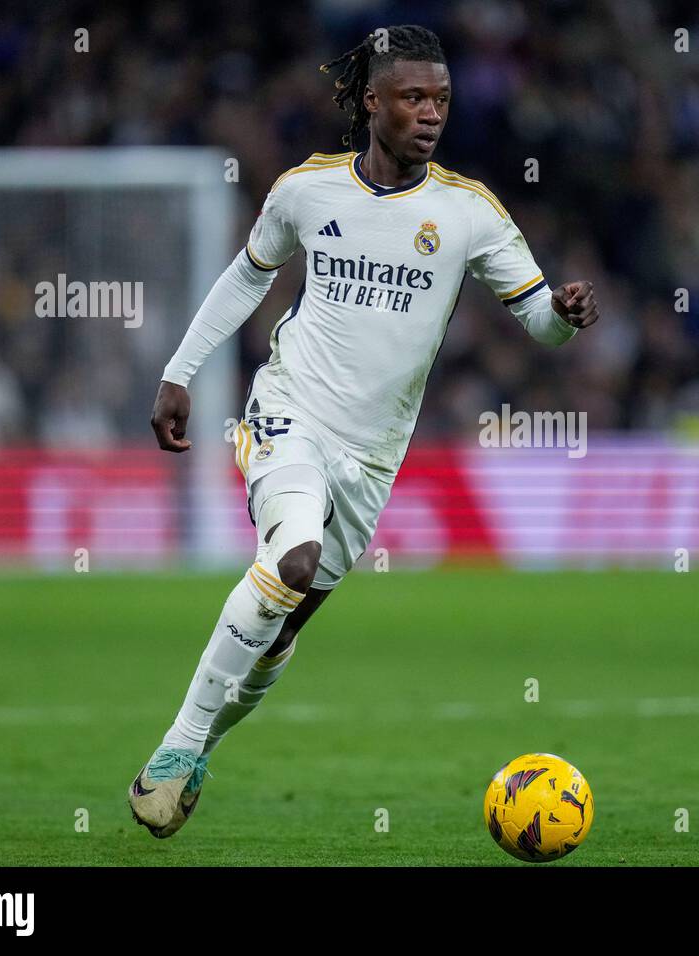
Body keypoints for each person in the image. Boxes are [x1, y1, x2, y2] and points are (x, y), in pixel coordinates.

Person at [128, 24, 600, 837]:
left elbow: (537, 321)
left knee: (278, 634)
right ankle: (175, 748)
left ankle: (201, 744)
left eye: (441, 100)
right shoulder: (307, 191)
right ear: (371, 101)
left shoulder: (469, 213)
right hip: (289, 415)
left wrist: (563, 315)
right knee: (292, 560)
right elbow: (249, 276)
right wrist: (180, 371)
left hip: (372, 459)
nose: (430, 114)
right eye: (414, 98)